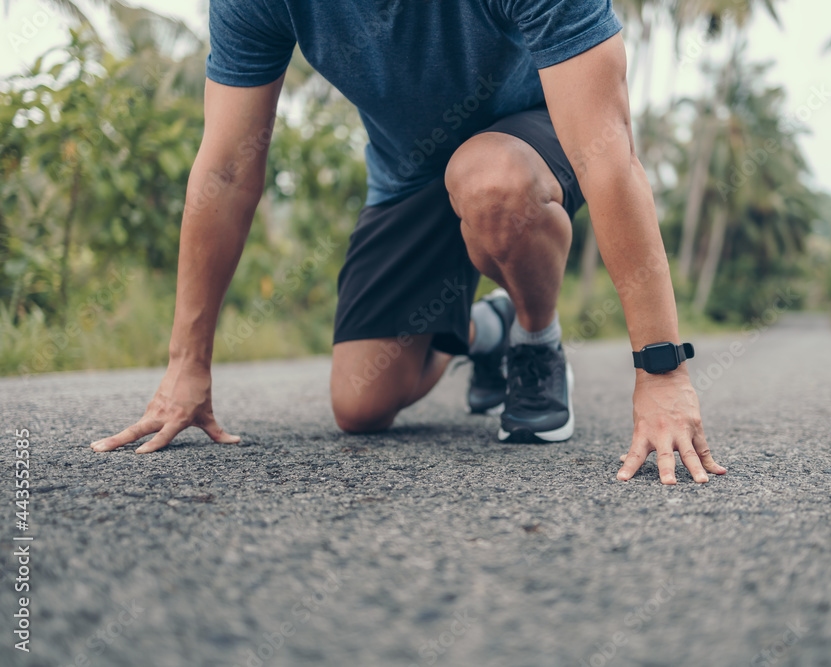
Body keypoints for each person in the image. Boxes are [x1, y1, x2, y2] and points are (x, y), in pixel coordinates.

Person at [89, 0, 727, 485]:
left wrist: (663, 372)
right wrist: (187, 363)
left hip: (533, 144)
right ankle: (486, 330)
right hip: (409, 170)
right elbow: (226, 169)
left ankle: (534, 335)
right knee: (360, 403)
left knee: (489, 181)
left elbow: (610, 155)